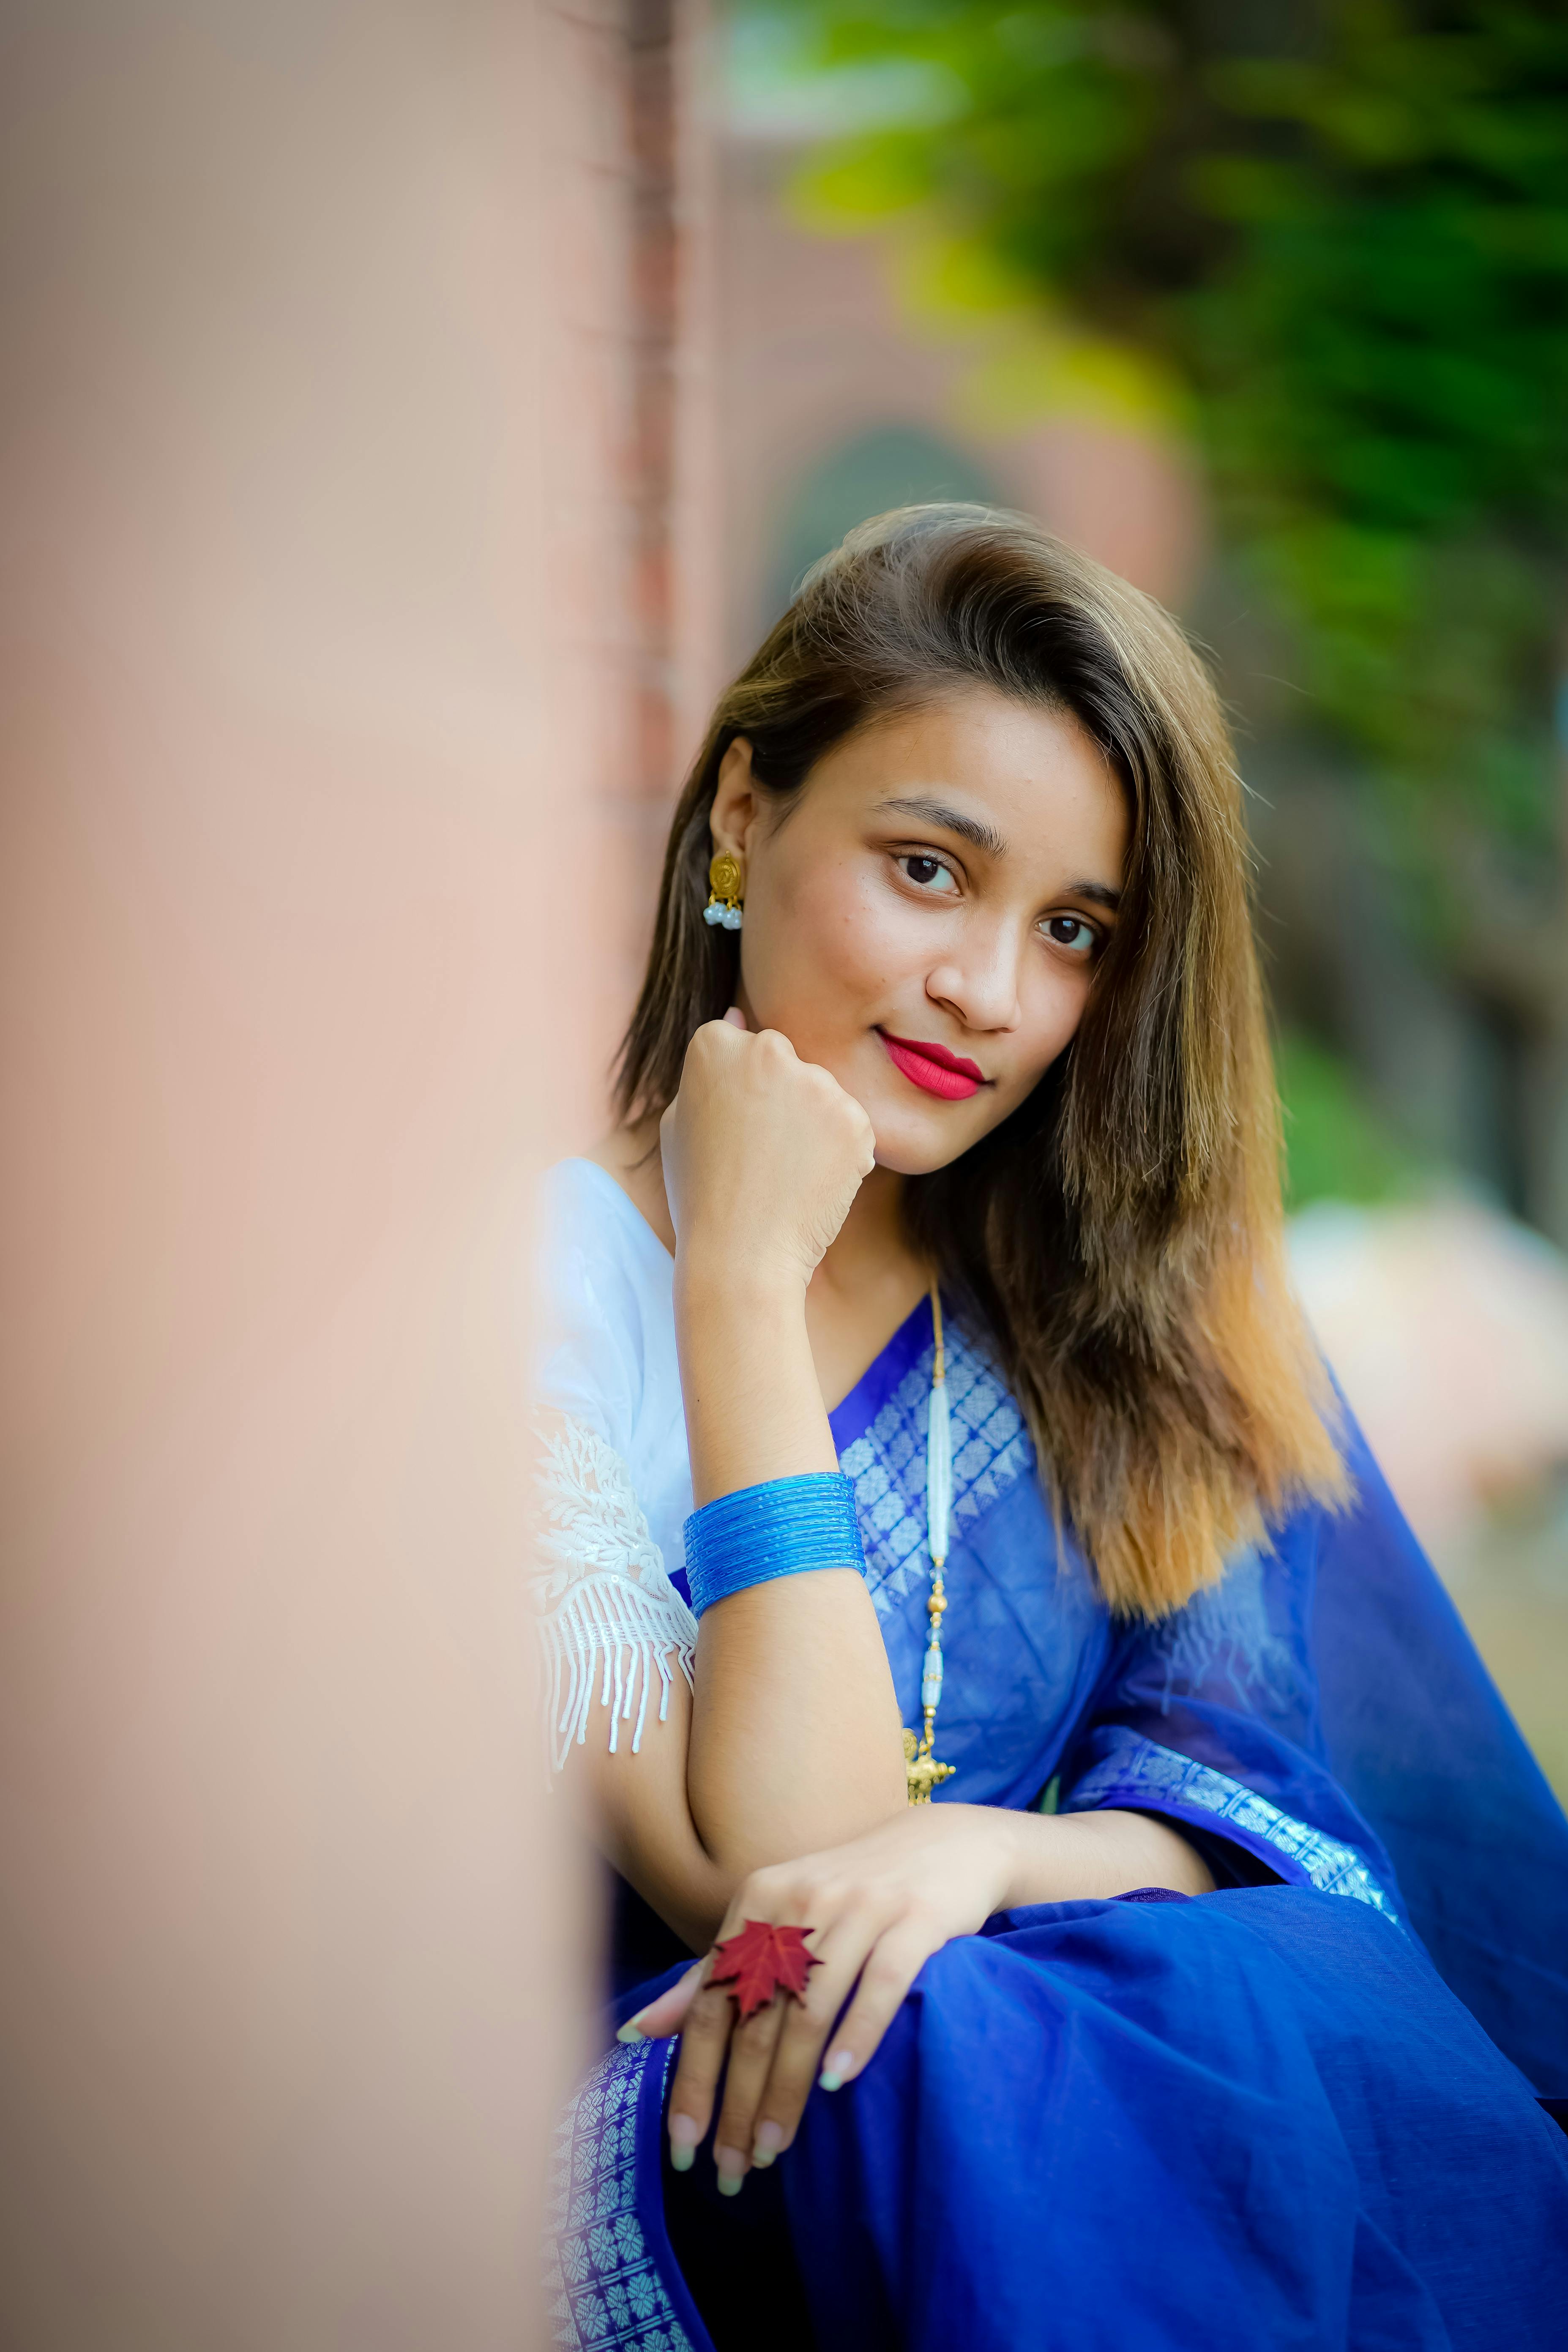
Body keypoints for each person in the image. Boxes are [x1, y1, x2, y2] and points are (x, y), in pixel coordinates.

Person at [535, 508, 1568, 2352]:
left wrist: (991, 1855)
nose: (991, 996)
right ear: (744, 813)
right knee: (937, 2039)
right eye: (930, 870)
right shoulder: (536, 1288)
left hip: (1083, 2108)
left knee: (1251, 2001)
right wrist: (740, 1290)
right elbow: (773, 1887)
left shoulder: (1130, 1304)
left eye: (1073, 929)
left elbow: (1252, 1803)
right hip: (726, 2156)